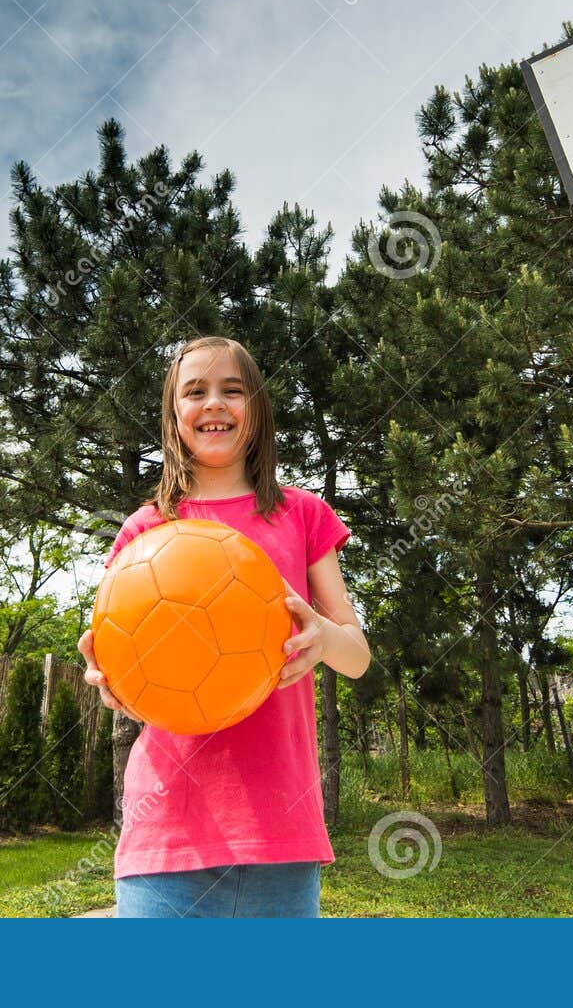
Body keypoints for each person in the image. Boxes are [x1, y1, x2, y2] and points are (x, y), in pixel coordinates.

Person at [77, 335, 371, 918]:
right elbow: (116, 652)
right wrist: (105, 676)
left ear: (256, 408)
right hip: (166, 830)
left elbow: (357, 657)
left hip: (281, 827)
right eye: (195, 392)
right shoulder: (145, 529)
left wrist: (321, 636)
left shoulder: (302, 515)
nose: (214, 403)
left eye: (232, 390)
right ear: (174, 414)